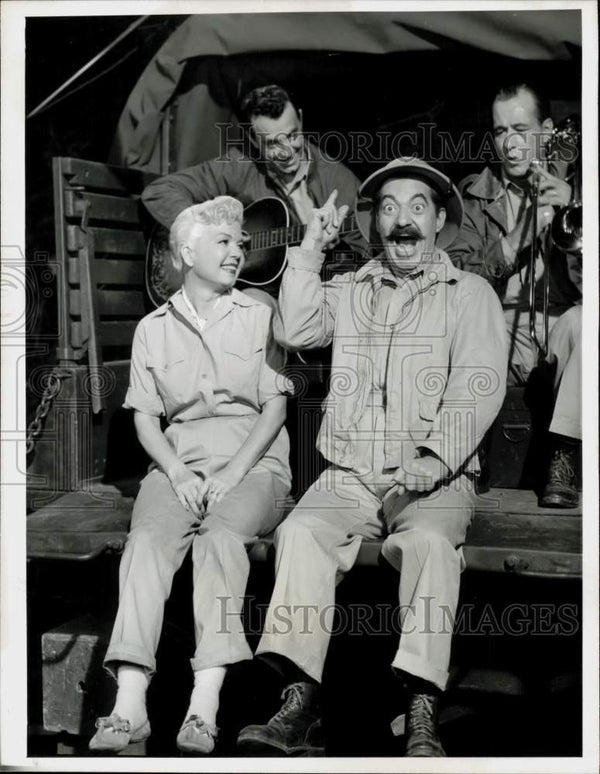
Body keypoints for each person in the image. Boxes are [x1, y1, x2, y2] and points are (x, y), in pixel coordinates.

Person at [235, 159, 508, 757]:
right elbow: (295, 330)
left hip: (434, 478)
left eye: (416, 207)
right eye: (388, 207)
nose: (402, 220)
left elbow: (480, 383)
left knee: (429, 545)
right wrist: (310, 251)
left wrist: (435, 457)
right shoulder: (350, 287)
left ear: (439, 221)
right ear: (376, 224)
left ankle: (421, 706)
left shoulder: (470, 295)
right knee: (300, 532)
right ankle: (300, 704)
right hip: (351, 473)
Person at [89, 197, 293, 755]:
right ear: (186, 252)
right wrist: (176, 471)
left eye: (239, 243)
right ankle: (130, 705)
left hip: (253, 462)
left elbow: (275, 408)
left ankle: (203, 706)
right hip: (178, 464)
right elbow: (145, 418)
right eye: (223, 242)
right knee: (146, 543)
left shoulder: (260, 313)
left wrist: (233, 472)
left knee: (220, 539)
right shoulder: (152, 329)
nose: (237, 252)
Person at [449, 83, 582, 507]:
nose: (510, 143)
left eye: (521, 130)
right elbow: (458, 277)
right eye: (501, 131)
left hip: (563, 330)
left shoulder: (581, 185)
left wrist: (577, 205)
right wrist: (514, 241)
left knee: (585, 322)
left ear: (547, 131)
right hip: (500, 328)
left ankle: (563, 460)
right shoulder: (472, 197)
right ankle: (466, 457)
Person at [142, 83, 366, 260]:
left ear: (300, 119)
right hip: (261, 293)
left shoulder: (339, 180)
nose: (287, 152)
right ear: (253, 140)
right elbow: (159, 191)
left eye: (292, 136)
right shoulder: (239, 165)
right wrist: (208, 233)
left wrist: (337, 249)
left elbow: (368, 252)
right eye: (272, 143)